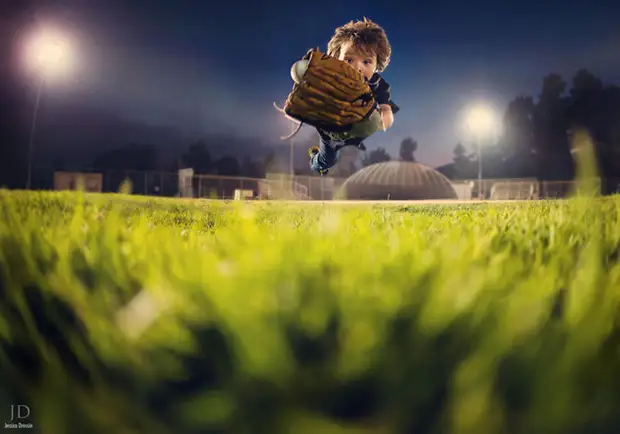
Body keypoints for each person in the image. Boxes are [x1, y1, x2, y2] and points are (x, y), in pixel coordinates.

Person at [293, 18, 400, 175]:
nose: (357, 68)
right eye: (349, 59)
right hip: (331, 129)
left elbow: (385, 106)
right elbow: (309, 78)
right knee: (328, 160)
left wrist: (384, 115)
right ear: (336, 58)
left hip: (355, 126)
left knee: (366, 122)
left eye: (367, 62)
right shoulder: (330, 76)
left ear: (377, 66)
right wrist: (306, 72)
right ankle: (316, 161)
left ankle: (354, 137)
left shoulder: (376, 83)